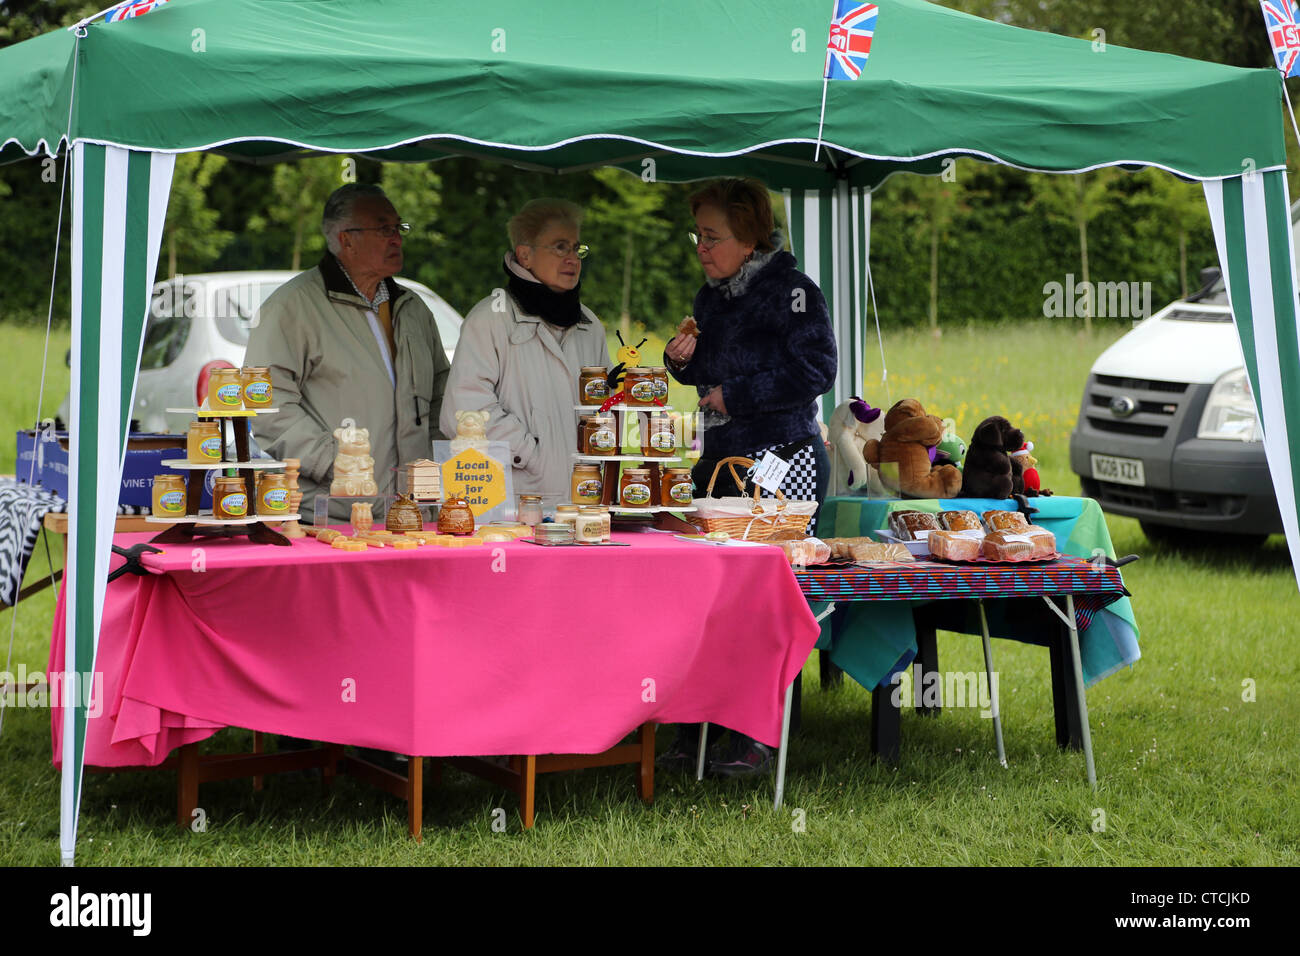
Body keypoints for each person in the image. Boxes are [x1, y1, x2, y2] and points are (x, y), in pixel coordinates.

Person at [661, 177, 838, 776]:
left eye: (712, 237)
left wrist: (733, 396)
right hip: (719, 462)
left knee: (758, 598)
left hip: (784, 460)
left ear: (750, 237)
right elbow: (705, 375)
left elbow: (817, 368)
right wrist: (680, 361)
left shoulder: (792, 292)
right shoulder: (711, 298)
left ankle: (754, 735)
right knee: (702, 594)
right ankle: (693, 725)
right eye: (698, 236)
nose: (701, 248)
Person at [246, 184, 450, 516]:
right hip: (332, 514)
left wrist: (437, 472)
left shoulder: (413, 309)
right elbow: (268, 405)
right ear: (346, 239)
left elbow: (442, 396)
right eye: (385, 229)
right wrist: (337, 464)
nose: (397, 238)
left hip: (414, 515)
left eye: (399, 227)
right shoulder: (292, 307)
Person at [440, 198, 610, 505]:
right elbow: (463, 411)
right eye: (560, 247)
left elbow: (603, 405)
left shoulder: (590, 324)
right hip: (515, 502)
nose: (572, 258)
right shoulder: (490, 318)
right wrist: (531, 453)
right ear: (525, 255)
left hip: (586, 502)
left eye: (576, 248)